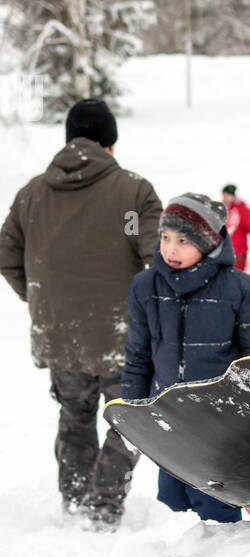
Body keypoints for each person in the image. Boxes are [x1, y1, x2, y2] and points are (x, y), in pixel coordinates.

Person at [0, 99, 162, 530]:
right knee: (128, 419)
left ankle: (76, 500)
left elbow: (6, 253)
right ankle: (103, 507)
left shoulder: (32, 193)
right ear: (110, 143)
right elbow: (158, 261)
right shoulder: (134, 191)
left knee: (74, 415)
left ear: (70, 138)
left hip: (60, 335)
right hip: (121, 335)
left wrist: (42, 301)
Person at [121, 193, 250, 524]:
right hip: (169, 417)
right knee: (173, 502)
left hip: (220, 423)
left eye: (183, 240)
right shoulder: (145, 286)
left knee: (216, 506)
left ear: (208, 244)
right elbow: (138, 355)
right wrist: (133, 414)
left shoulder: (243, 290)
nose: (170, 249)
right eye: (165, 238)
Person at [221, 184, 250, 269]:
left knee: (235, 278)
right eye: (224, 195)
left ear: (233, 195)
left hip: (238, 254)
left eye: (227, 195)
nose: (225, 198)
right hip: (223, 252)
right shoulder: (222, 210)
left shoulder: (242, 210)